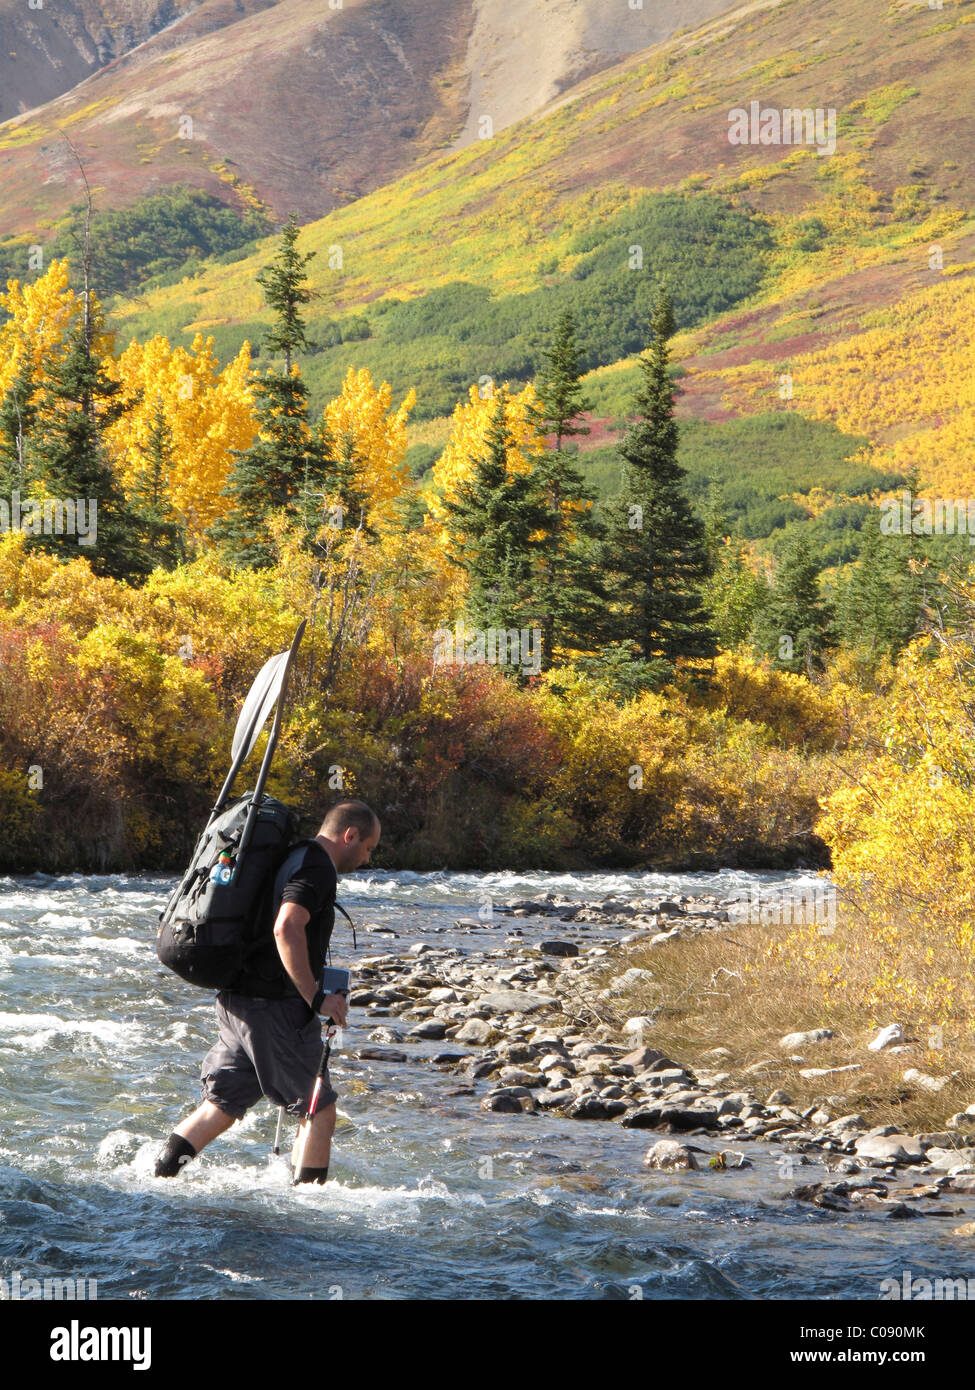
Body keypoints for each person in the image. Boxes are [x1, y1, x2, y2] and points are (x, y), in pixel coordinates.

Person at [154, 800, 380, 1185]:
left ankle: (156, 1181)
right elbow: (286, 927)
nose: (367, 858)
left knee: (221, 1106)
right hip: (272, 1007)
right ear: (350, 835)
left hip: (237, 1000)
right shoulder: (316, 867)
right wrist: (316, 998)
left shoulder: (290, 856)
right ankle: (311, 1213)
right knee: (318, 1108)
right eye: (368, 848)